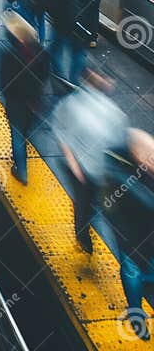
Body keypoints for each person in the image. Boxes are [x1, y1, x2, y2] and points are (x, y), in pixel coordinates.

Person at [51, 71, 128, 254]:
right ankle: (87, 232)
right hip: (99, 172)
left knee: (83, 206)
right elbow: (120, 143)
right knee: (95, 206)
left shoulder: (71, 103)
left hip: (82, 171)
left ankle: (83, 236)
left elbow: (60, 131)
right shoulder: (115, 113)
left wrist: (73, 163)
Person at [104, 128, 154, 341]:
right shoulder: (134, 187)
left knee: (136, 267)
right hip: (134, 237)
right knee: (133, 270)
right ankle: (136, 315)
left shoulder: (118, 161)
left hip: (130, 233)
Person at [0, 12, 50, 184]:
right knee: (26, 130)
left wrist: (8, 97)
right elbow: (44, 76)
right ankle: (22, 162)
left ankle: (22, 171)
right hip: (34, 102)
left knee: (17, 135)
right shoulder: (40, 52)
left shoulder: (9, 55)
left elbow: (4, 83)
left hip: (16, 103)